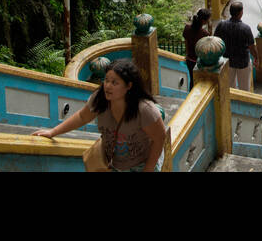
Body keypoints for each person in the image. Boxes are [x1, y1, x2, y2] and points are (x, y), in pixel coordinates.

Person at [34, 58, 165, 172]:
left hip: (141, 165)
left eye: (115, 83)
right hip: (114, 165)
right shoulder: (100, 98)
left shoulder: (144, 109)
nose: (108, 86)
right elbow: (82, 117)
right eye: (106, 80)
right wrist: (53, 132)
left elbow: (159, 139)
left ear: (129, 86)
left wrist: (148, 170)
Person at [212, 1, 256, 92]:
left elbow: (215, 41)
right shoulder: (245, 28)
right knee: (244, 89)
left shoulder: (221, 25)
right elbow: (252, 47)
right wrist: (257, 58)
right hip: (243, 62)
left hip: (227, 61)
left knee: (230, 88)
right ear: (241, 12)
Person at [182, 8, 212, 84]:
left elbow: (186, 42)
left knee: (192, 79)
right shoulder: (205, 34)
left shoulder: (187, 28)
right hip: (199, 62)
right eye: (208, 19)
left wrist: (187, 54)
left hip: (189, 60)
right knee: (200, 81)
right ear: (204, 21)